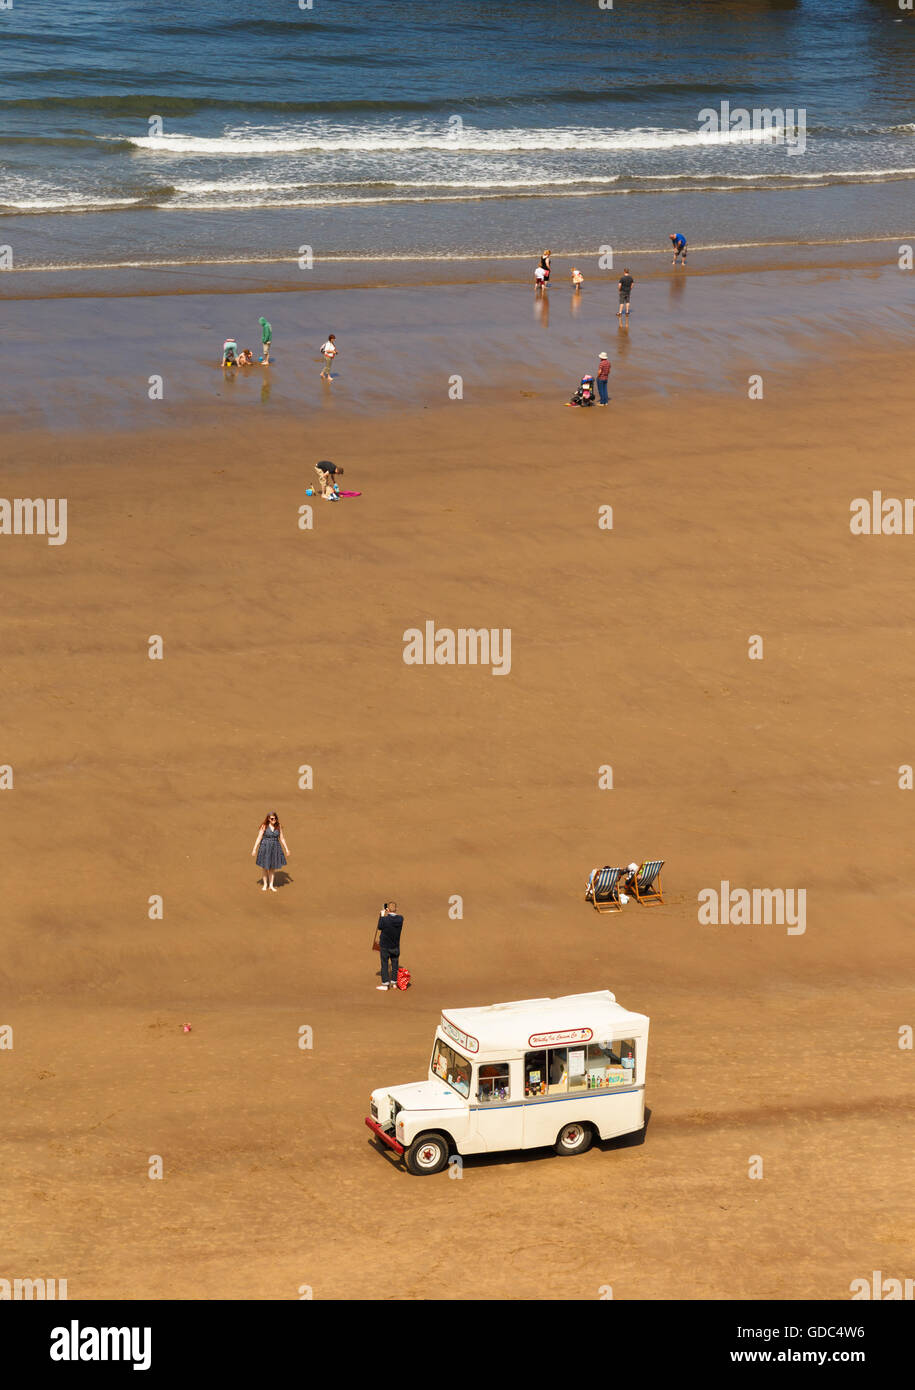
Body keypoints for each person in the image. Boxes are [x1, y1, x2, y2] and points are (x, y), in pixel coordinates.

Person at [251, 811, 290, 892]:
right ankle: (265, 884)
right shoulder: (264, 826)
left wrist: (286, 849)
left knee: (272, 867)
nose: (274, 820)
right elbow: (259, 838)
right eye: (272, 819)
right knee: (265, 867)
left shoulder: (278, 826)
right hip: (265, 847)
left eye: (275, 818)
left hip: (275, 847)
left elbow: (282, 838)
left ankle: (271, 885)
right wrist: (254, 849)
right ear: (268, 819)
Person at [375, 902, 404, 989]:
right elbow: (394, 918)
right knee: (395, 964)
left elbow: (380, 927)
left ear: (387, 909)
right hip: (395, 946)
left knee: (384, 964)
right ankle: (394, 983)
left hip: (385, 946)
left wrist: (382, 916)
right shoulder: (400, 919)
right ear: (396, 909)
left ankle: (385, 984)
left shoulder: (385, 920)